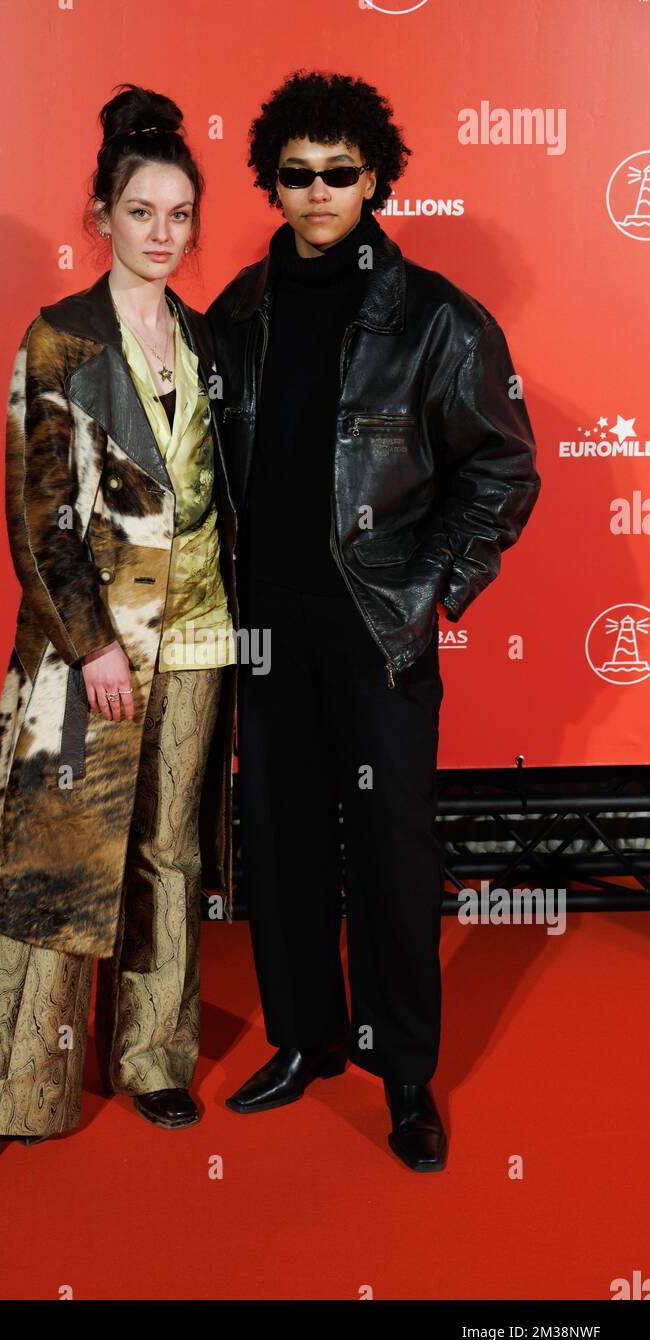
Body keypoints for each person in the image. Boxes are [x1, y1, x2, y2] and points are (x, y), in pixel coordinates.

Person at [206, 69, 540, 1172]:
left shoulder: (435, 318)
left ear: (376, 178)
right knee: (284, 842)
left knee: (391, 854)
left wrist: (432, 588)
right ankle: (304, 1039)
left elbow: (501, 467)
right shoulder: (236, 317)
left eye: (337, 174)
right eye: (294, 176)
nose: (315, 193)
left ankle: (403, 1075)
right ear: (271, 181)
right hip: (264, 627)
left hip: (377, 629)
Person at [0, 84, 238, 1181]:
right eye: (140, 211)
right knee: (58, 865)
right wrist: (93, 641)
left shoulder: (203, 339)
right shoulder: (59, 338)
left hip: (199, 636)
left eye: (180, 214)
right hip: (89, 649)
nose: (162, 233)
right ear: (101, 213)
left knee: (167, 852)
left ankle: (151, 1058)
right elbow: (38, 513)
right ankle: (13, 1091)